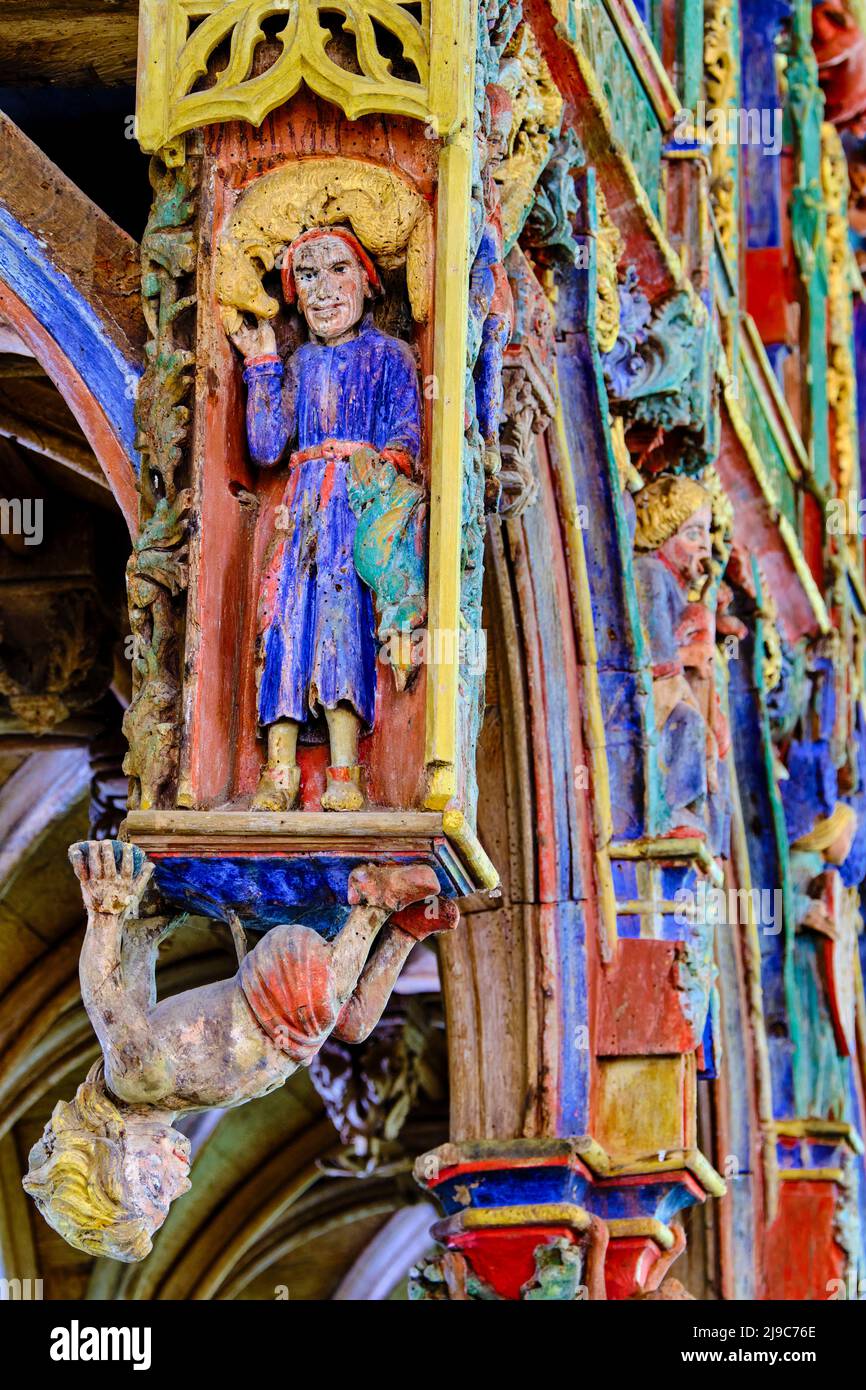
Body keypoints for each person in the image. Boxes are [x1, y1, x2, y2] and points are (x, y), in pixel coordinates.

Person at [23, 841, 457, 1262]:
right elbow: (137, 990)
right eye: (170, 1199)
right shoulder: (163, 1098)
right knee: (356, 1024)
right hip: (294, 1027)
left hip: (283, 982)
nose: (182, 1185)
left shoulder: (137, 1080)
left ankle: (375, 900)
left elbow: (107, 1001)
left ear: (113, 1143)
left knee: (323, 1006)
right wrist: (144, 933)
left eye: (156, 1187)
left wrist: (107, 911)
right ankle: (405, 930)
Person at [231, 227, 422, 811]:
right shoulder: (302, 361)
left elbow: (406, 435)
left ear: (365, 280)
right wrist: (263, 360)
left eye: (337, 270)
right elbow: (265, 446)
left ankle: (346, 772)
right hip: (302, 507)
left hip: (355, 502)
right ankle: (278, 770)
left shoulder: (390, 355)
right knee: (286, 621)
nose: (323, 290)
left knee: (341, 622)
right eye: (307, 277)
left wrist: (380, 463)